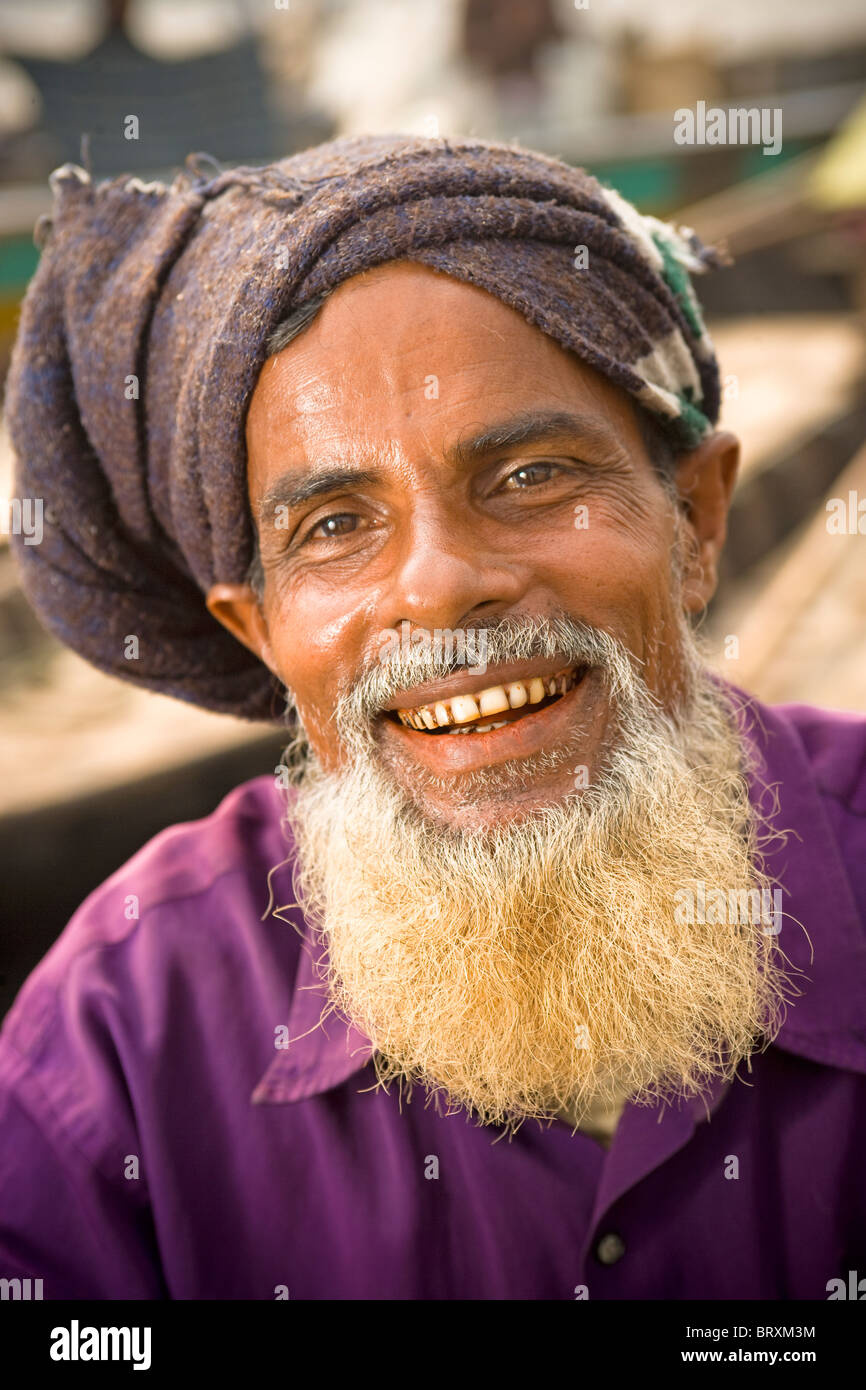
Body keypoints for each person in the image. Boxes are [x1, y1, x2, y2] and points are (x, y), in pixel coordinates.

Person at [1, 135, 864, 1300]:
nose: (437, 585)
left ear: (697, 523)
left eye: (529, 477)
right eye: (336, 525)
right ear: (257, 630)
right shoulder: (121, 1035)